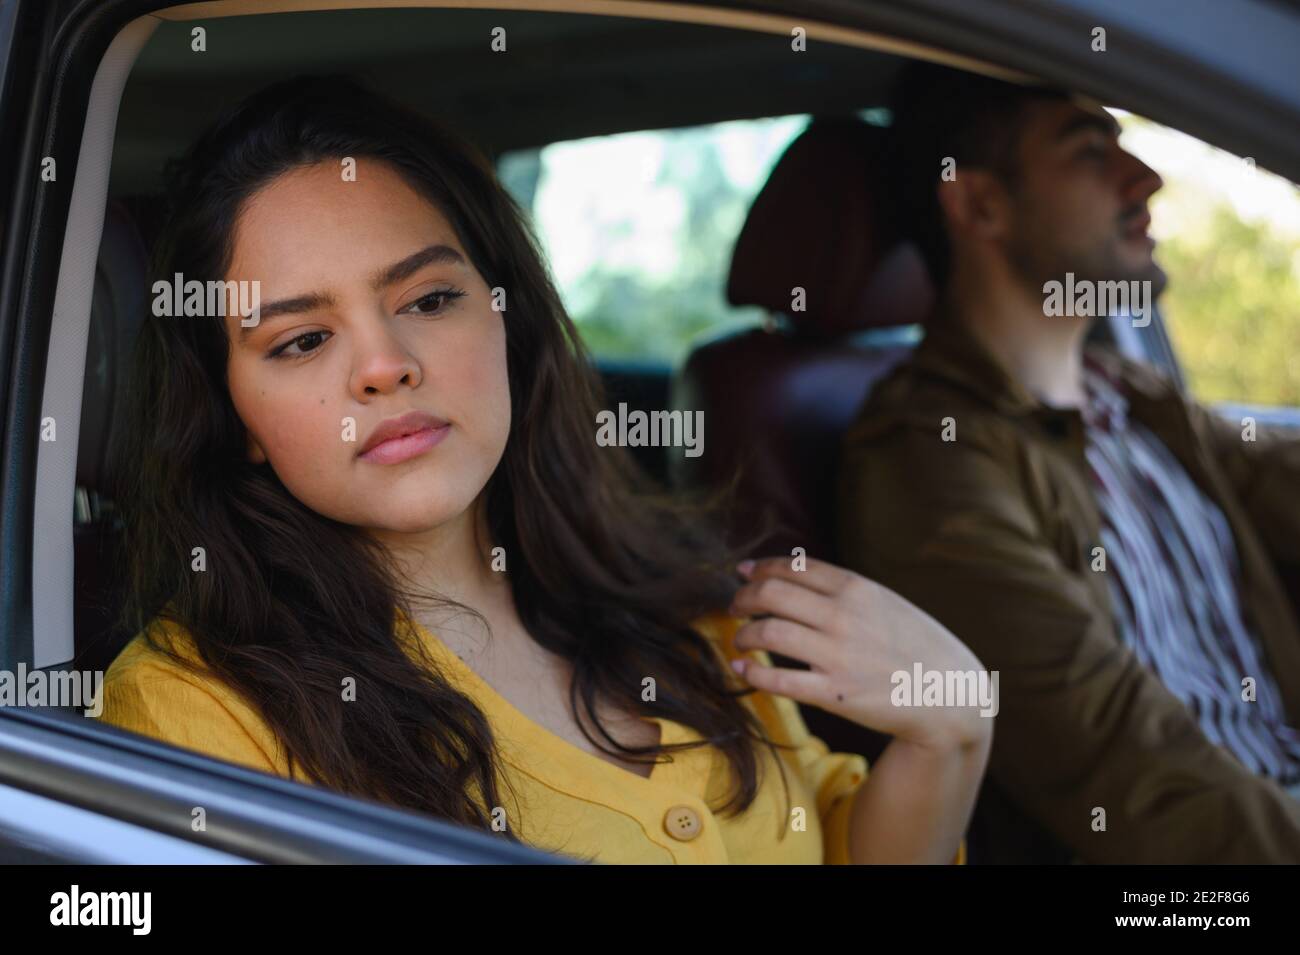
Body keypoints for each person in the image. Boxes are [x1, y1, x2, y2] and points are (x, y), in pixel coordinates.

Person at [97, 74, 990, 864]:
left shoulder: (685, 608)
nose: (384, 364)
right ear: (237, 416)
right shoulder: (196, 708)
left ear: (505, 320)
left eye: (431, 298)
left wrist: (949, 733)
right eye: (300, 340)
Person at [836, 61, 1300, 863]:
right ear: (979, 202)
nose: (1146, 178)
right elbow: (1115, 758)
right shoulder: (927, 454)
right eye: (1092, 151)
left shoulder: (1134, 395)